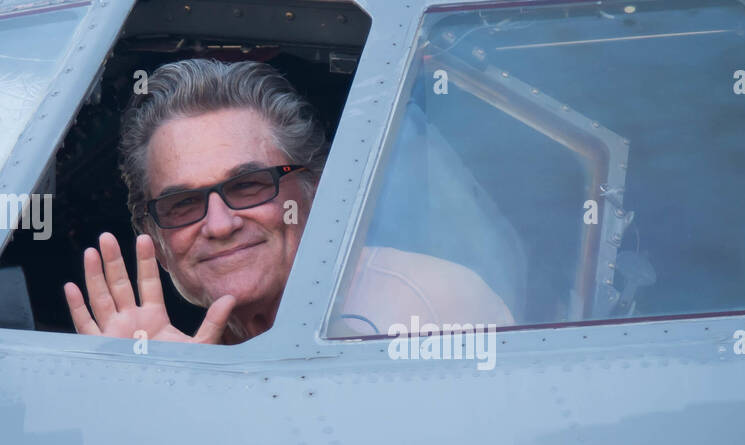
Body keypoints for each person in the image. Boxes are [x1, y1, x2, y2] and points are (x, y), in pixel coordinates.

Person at [64, 59, 512, 344]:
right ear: (157, 244)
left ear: (315, 190)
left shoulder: (433, 304)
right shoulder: (187, 350)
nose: (220, 225)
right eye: (183, 205)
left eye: (248, 186)